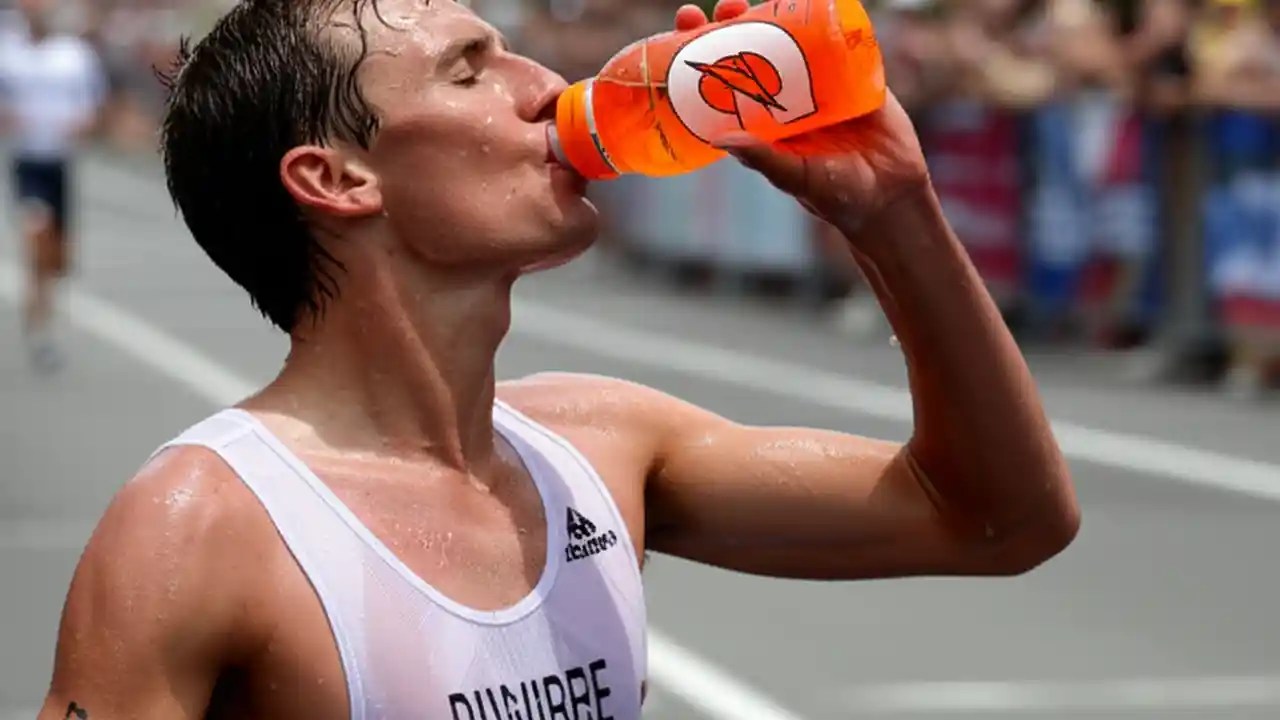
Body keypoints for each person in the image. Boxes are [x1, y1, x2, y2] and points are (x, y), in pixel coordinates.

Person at [36, 0, 1080, 717]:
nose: (548, 88)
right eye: (471, 69)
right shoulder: (201, 529)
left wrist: (894, 212)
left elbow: (996, 519)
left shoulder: (600, 441)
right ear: (339, 178)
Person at [0, 0, 105, 371]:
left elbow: (93, 104)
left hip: (60, 163)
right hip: (28, 162)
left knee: (58, 259)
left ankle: (46, 308)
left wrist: (83, 124)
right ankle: (39, 329)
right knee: (37, 238)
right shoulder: (8, 53)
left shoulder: (73, 55)